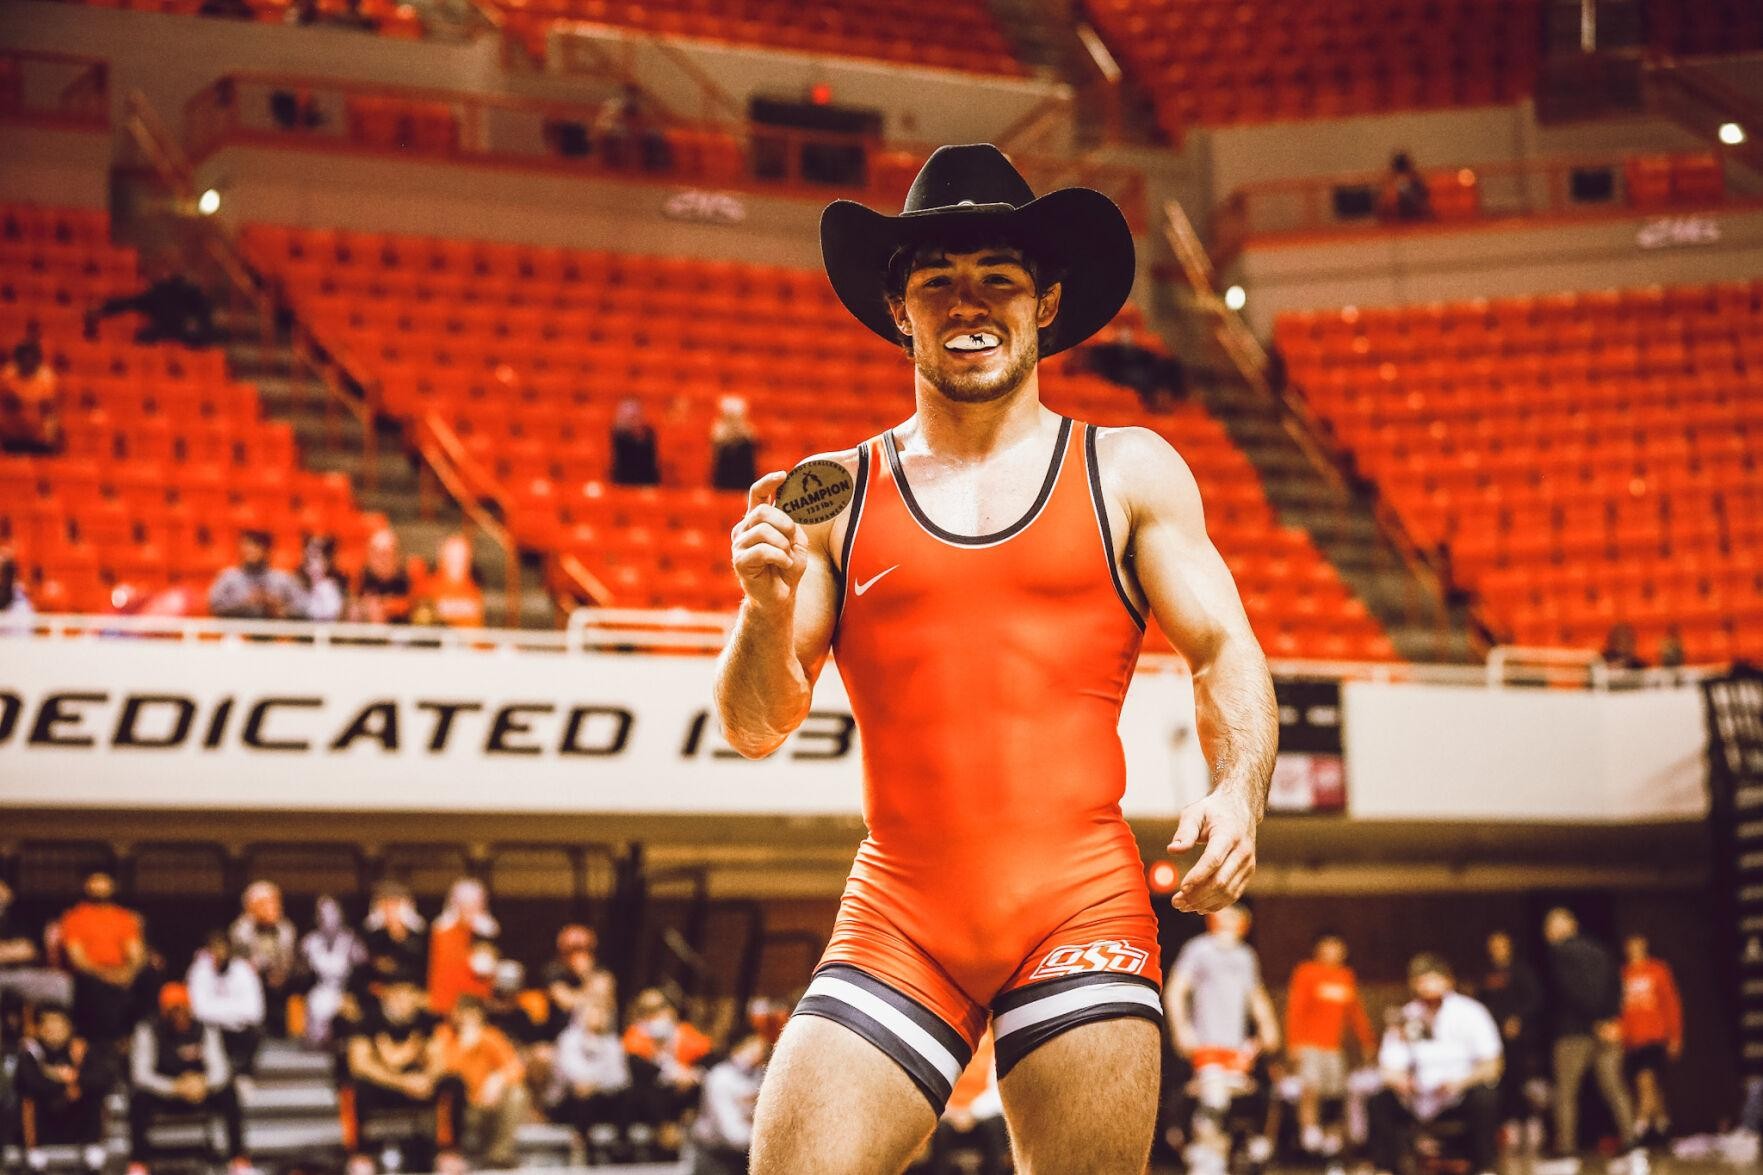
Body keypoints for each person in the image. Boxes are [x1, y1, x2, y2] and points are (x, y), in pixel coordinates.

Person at [715, 142, 1275, 1174]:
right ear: (898, 309)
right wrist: (762, 606)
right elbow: (755, 724)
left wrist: (1237, 791)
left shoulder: (1128, 468)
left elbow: (1222, 647)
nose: (967, 303)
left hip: (1079, 904)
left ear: (1045, 303)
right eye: (936, 281)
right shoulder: (830, 491)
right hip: (900, 914)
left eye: (997, 279)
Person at [1166, 906, 1281, 1172]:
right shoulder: (1199, 949)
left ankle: (1225, 1156)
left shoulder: (1245, 956)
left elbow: (1255, 995)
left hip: (1236, 1048)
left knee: (1238, 1102)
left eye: (1236, 917)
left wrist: (1268, 1025)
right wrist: (1181, 1028)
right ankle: (1207, 1162)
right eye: (1225, 915)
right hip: (1206, 1044)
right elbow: (1176, 990)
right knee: (1213, 1098)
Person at [1368, 954, 1502, 1175]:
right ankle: (1385, 1169)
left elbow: (1492, 1065)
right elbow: (1388, 1066)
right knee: (1379, 1101)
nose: (1428, 988)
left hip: (1458, 1095)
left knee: (1486, 1097)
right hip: (1417, 1098)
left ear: (1448, 981)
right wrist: (1401, 1081)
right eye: (1421, 982)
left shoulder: (1471, 1013)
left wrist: (1459, 1083)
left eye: (1433, 980)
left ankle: (1485, 1168)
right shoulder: (1407, 1016)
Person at [1540, 908, 1640, 1173]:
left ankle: (1566, 1150)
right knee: (1615, 1087)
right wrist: (1611, 1018)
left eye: (1550, 926)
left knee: (1565, 1093)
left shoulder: (1559, 953)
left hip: (1574, 1031)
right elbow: (1617, 985)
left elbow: (1570, 989)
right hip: (1608, 1029)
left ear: (1566, 926)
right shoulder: (1600, 950)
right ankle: (1632, 1143)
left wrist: (1595, 1019)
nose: (1546, 932)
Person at [128, 983, 250, 1175]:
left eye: (182, 1008)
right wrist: (174, 1087)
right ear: (164, 1011)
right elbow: (141, 1074)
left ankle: (238, 1159)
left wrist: (202, 1083)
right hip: (165, 1092)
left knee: (229, 1093)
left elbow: (220, 1069)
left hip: (199, 1091)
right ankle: (138, 1163)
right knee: (138, 1098)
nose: (179, 1015)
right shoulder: (148, 1030)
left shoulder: (205, 1029)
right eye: (173, 1010)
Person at [342, 979, 456, 1175]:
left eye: (410, 995)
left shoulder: (426, 1020)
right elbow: (360, 1065)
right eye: (400, 995)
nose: (406, 1001)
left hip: (418, 1087)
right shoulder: (368, 1020)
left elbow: (439, 1059)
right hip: (383, 1087)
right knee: (357, 1087)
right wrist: (402, 1082)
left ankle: (449, 1152)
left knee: (453, 1082)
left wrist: (427, 1078)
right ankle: (361, 1154)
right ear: (388, 996)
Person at [1285, 929, 1375, 1158]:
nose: (1332, 951)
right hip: (1309, 1045)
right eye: (1327, 946)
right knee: (1311, 1087)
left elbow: (1356, 1013)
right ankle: (1309, 1131)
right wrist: (1294, 1043)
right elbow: (1296, 1009)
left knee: (1336, 1092)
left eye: (1337, 946)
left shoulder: (1346, 976)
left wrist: (1367, 1041)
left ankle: (1332, 1137)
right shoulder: (1306, 972)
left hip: (1334, 1047)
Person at [16, 1004, 115, 1174]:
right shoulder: (31, 1051)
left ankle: (93, 1147)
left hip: (76, 1120)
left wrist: (75, 1080)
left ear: (69, 1027)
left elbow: (103, 1079)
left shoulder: (80, 1049)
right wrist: (62, 1084)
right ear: (39, 1029)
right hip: (46, 1120)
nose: (53, 1029)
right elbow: (28, 1083)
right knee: (29, 1100)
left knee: (94, 1096)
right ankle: (34, 1151)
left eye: (59, 1023)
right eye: (48, 1023)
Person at [432, 994, 527, 1170]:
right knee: (451, 1088)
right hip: (456, 1108)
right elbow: (438, 1072)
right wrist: (465, 1045)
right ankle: (450, 1152)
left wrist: (498, 1078)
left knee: (517, 1094)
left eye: (470, 1014)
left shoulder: (490, 1036)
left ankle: (499, 1156)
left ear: (480, 1016)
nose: (465, 1019)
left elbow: (516, 1067)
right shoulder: (443, 1035)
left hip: (485, 1104)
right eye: (461, 1013)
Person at [622, 988, 711, 1157]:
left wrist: (691, 1076)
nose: (653, 1015)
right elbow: (640, 1071)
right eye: (646, 1010)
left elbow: (708, 1059)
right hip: (652, 1105)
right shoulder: (636, 1035)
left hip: (685, 1096)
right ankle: (665, 1128)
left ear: (672, 1010)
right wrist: (672, 1075)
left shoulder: (686, 1033)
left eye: (659, 1008)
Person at [59, 871, 146, 1045]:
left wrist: (127, 973)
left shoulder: (124, 917)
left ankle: (139, 1036)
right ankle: (104, 1042)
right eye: (95, 881)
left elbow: (136, 954)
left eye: (103, 881)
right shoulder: (75, 917)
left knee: (147, 976)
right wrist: (107, 976)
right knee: (97, 989)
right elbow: (78, 959)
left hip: (122, 973)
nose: (99, 886)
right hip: (91, 976)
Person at [552, 997, 635, 1165]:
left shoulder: (612, 1043)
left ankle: (622, 1146)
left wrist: (595, 1083)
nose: (597, 1017)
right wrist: (595, 1080)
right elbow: (569, 1072)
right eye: (593, 1012)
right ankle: (582, 1147)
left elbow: (620, 1078)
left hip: (601, 1096)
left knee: (624, 1095)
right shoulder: (568, 1039)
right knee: (583, 1096)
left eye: (602, 1013)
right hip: (569, 1100)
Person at [1480, 930, 1544, 1142]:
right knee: (1502, 1082)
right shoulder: (1488, 974)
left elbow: (1534, 999)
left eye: (1500, 945)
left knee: (1521, 1081)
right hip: (1495, 1039)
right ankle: (1510, 1124)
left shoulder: (1521, 971)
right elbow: (1483, 1004)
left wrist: (1518, 1019)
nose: (1496, 950)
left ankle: (1530, 1122)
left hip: (1519, 1039)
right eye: (1493, 946)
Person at [1620, 933, 1682, 1143]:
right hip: (1632, 1040)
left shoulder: (1658, 970)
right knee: (1652, 1086)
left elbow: (1670, 1003)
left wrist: (1675, 1036)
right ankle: (1663, 1125)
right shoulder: (1623, 973)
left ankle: (1638, 1128)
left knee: (1645, 1083)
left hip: (1654, 1036)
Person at [188, 929, 266, 1081]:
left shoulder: (243, 970)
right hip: (211, 1028)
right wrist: (233, 1010)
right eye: (214, 948)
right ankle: (215, 1076)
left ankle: (243, 1074)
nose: (219, 953)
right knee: (204, 1030)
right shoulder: (199, 971)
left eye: (222, 948)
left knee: (256, 1031)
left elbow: (255, 1010)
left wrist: (218, 1009)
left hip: (238, 1030)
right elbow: (198, 1010)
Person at [84, 258, 215, 347]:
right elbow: (130, 303)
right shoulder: (157, 294)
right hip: (167, 328)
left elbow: (202, 318)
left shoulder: (188, 293)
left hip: (184, 331)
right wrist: (103, 309)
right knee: (144, 338)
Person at [928, 1030, 1007, 1175]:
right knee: (939, 1131)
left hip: (982, 1114)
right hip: (950, 1114)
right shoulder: (950, 1042)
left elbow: (996, 1091)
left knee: (994, 1127)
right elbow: (938, 1084)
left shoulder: (996, 1044)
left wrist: (971, 1113)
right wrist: (951, 1112)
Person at [691, 1034, 769, 1175]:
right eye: (751, 1048)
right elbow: (733, 1134)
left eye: (762, 1051)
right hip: (716, 1157)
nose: (758, 1054)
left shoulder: (761, 1075)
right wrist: (770, 1138)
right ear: (736, 1049)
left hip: (746, 1154)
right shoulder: (720, 1077)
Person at [230, 881, 296, 1038]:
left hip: (280, 980)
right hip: (252, 980)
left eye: (277, 902)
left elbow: (287, 958)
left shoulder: (285, 929)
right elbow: (242, 961)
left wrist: (280, 972)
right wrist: (262, 968)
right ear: (252, 907)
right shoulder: (241, 930)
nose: (276, 907)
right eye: (269, 903)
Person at [299, 895, 365, 1047]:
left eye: (332, 912)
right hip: (319, 990)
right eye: (323, 913)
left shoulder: (351, 940)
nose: (328, 919)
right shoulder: (310, 941)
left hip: (345, 992)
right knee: (317, 1004)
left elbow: (363, 967)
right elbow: (301, 972)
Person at [427, 878, 498, 1016]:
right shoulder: (441, 931)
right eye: (465, 904)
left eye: (474, 904)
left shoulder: (488, 932)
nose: (469, 909)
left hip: (479, 1005)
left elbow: (488, 968)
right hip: (447, 1004)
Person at [0, 878, 70, 1008]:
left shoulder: (20, 916)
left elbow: (29, 950)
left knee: (62, 985)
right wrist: (11, 950)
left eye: (2, 888)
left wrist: (9, 951)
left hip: (21, 974)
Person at [208, 530, 303, 621]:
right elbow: (214, 606)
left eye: (255, 547)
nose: (250, 551)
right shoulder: (229, 577)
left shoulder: (282, 579)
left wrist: (280, 607)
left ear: (267, 550)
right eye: (246, 547)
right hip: (236, 630)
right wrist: (245, 604)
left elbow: (303, 608)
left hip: (274, 630)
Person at [355, 881, 427, 999]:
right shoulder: (369, 938)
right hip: (380, 996)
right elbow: (362, 976)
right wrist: (382, 991)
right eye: (385, 905)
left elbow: (424, 969)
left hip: (413, 994)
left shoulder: (421, 937)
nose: (390, 910)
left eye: (395, 904)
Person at [0, 323, 62, 455]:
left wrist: (25, 403)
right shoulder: (7, 376)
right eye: (23, 359)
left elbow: (47, 408)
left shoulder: (47, 378)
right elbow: (8, 404)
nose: (27, 363)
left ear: (37, 360)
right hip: (12, 435)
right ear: (17, 360)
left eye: (31, 359)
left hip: (39, 437)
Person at [543, 924, 615, 1030]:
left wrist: (586, 973)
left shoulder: (601, 971)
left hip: (597, 1032)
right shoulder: (554, 971)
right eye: (571, 950)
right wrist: (590, 997)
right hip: (563, 1032)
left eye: (583, 949)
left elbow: (604, 999)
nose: (577, 955)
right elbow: (565, 1002)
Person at [351, 529, 414, 624]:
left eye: (386, 554)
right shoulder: (361, 578)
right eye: (376, 554)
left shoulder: (409, 578)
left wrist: (386, 608)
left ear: (397, 556)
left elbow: (414, 607)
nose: (381, 560)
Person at [425, 534, 484, 629]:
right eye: (453, 556)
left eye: (462, 556)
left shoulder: (473, 588)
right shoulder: (429, 585)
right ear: (442, 557)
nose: (458, 561)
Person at [710, 395, 759, 492]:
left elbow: (750, 469)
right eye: (729, 418)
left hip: (744, 484)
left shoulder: (749, 437)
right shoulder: (718, 435)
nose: (733, 421)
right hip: (722, 485)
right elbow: (716, 467)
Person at [294, 536, 347, 622]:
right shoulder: (299, 585)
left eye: (316, 558)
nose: (313, 565)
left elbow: (333, 613)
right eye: (308, 561)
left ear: (327, 563)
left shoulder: (330, 586)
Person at [610, 397, 661, 486]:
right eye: (629, 417)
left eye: (635, 416)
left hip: (647, 483)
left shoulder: (649, 434)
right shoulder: (617, 436)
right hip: (623, 483)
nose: (633, 420)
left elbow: (650, 464)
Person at [1381, 151, 1432, 221]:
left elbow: (1424, 195)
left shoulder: (1415, 178)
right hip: (1399, 214)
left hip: (1414, 211)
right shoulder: (1390, 181)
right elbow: (1385, 202)